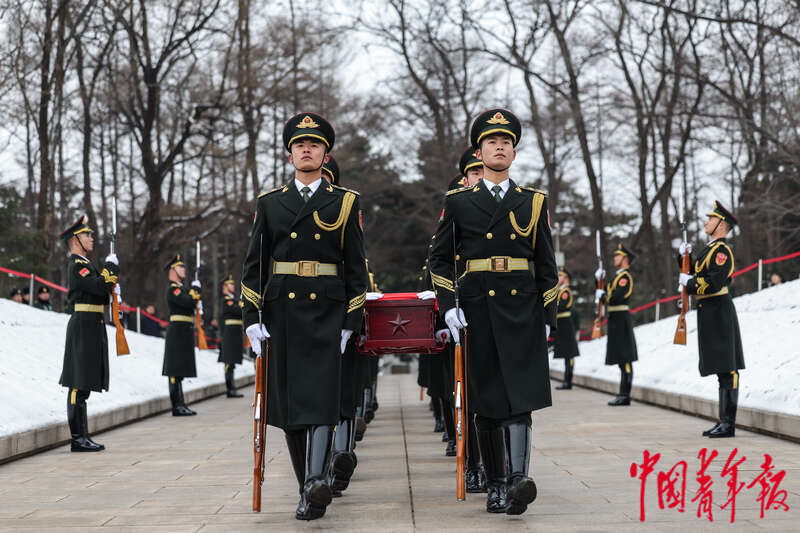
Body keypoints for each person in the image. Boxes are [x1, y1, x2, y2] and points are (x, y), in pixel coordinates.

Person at [429, 109, 558, 515]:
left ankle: (520, 478)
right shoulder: (459, 202)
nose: (499, 147)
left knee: (519, 397)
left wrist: (547, 318)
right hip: (477, 309)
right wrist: (449, 307)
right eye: (491, 143)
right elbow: (439, 261)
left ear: (514, 153)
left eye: (506, 143)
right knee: (486, 400)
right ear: (480, 152)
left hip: (521, 309)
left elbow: (547, 267)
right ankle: (497, 482)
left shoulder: (533, 202)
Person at [241, 112, 368, 520]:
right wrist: (251, 316)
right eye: (300, 145)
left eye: (314, 145)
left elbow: (356, 268)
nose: (307, 150)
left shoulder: (345, 201)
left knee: (319, 402)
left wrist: (351, 321)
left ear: (325, 153)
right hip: (283, 312)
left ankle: (316, 481)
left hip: (328, 312)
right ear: (290, 154)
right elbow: (253, 266)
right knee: (292, 408)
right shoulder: (270, 203)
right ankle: (307, 488)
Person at [677, 201, 745, 438]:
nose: (706, 223)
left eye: (710, 219)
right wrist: (684, 257)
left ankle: (728, 423)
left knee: (728, 368)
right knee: (720, 368)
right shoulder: (710, 249)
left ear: (721, 224)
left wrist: (690, 283)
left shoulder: (722, 251)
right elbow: (696, 270)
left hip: (719, 311)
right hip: (710, 312)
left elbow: (713, 281)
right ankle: (722, 421)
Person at [57, 215, 120, 452]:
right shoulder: (77, 266)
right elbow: (98, 286)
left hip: (92, 323)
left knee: (84, 384)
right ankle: (77, 438)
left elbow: (101, 293)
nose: (91, 238)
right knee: (78, 383)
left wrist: (111, 283)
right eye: (87, 235)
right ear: (75, 240)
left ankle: (83, 435)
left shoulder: (86, 265)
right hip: (83, 324)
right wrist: (111, 269)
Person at [595, 243, 638, 406]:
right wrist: (598, 280)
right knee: (621, 359)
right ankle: (622, 393)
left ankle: (625, 395)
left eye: (617, 256)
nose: (615, 258)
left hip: (621, 319)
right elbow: (605, 290)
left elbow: (615, 298)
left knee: (625, 358)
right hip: (615, 319)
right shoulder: (617, 277)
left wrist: (603, 295)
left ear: (625, 259)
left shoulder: (625, 278)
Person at [162, 254, 201, 416]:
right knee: (175, 370)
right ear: (172, 270)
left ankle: (181, 404)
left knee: (180, 369)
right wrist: (196, 290)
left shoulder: (182, 288)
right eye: (180, 267)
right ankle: (176, 406)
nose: (184, 269)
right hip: (177, 331)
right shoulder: (173, 289)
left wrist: (193, 292)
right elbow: (189, 302)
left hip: (184, 331)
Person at [218, 274, 244, 398]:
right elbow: (238, 311)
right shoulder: (226, 300)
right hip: (229, 334)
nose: (233, 286)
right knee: (229, 361)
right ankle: (230, 388)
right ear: (224, 286)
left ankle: (232, 387)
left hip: (235, 333)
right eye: (230, 284)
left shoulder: (232, 300)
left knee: (232, 362)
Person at [553, 269, 580, 389]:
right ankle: (566, 380)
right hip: (562, 325)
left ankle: (568, 381)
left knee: (569, 354)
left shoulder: (565, 292)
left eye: (560, 276)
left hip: (566, 325)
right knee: (566, 354)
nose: (558, 278)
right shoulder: (560, 291)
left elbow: (561, 307)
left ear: (566, 278)